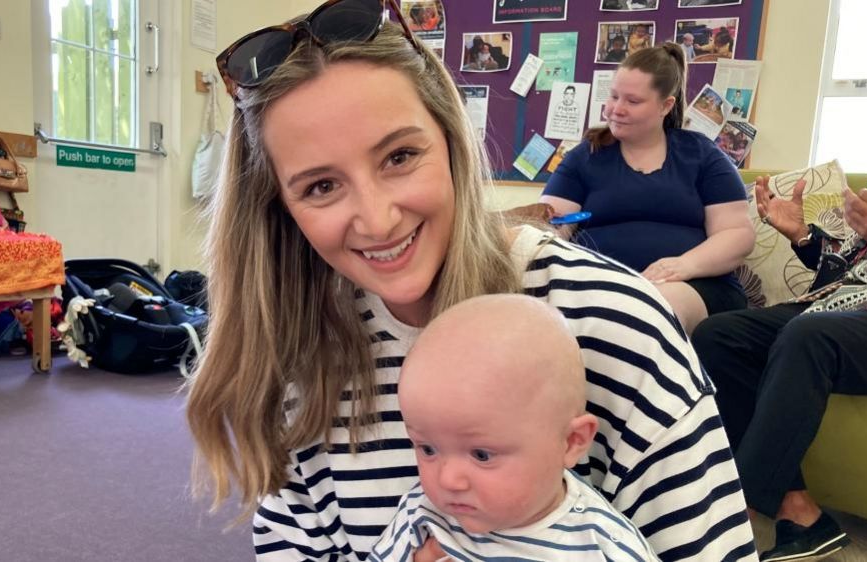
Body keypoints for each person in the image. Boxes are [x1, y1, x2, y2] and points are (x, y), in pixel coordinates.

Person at [188, 4, 757, 561]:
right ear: (279, 208)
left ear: (452, 141)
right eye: (319, 187)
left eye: (400, 156)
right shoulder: (297, 352)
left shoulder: (618, 328)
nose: (378, 218)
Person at [692, 51, 867, 562]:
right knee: (717, 335)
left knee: (808, 336)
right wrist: (802, 236)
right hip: (853, 307)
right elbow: (854, 271)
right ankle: (798, 511)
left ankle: (734, 508)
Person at [367, 294, 658, 561]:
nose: (448, 479)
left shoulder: (605, 546)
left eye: (481, 454)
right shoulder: (422, 512)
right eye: (428, 449)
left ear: (571, 442)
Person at [541, 43, 755, 333]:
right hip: (598, 285)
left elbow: (737, 235)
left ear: (666, 106)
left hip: (691, 285)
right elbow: (550, 227)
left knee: (645, 310)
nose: (616, 109)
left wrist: (682, 266)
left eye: (633, 101)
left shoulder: (702, 156)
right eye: (614, 96)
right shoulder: (584, 157)